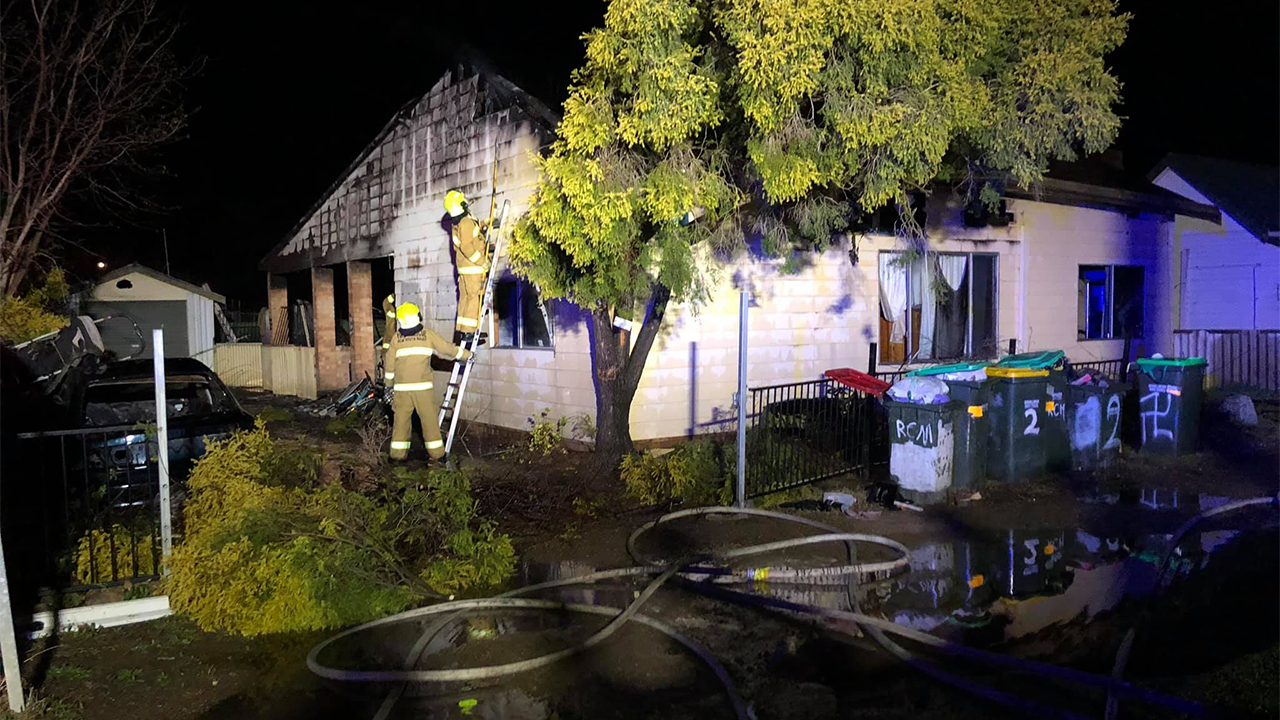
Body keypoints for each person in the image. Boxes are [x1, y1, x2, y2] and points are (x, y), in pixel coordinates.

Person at [384, 302, 471, 462]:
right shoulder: (427, 335)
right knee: (429, 421)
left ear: (401, 320)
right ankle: (438, 455)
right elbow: (446, 349)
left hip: (401, 390)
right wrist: (467, 354)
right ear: (418, 317)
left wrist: (388, 387)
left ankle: (397, 457)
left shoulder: (397, 339)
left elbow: (389, 365)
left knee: (401, 423)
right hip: (423, 390)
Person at [443, 189, 490, 344]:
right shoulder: (466, 222)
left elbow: (471, 235)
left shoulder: (457, 224)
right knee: (473, 297)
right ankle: (470, 331)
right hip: (473, 267)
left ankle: (463, 330)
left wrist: (483, 224)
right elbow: (468, 247)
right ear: (462, 204)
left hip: (463, 268)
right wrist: (482, 262)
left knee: (464, 298)